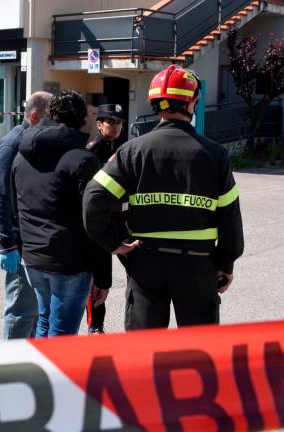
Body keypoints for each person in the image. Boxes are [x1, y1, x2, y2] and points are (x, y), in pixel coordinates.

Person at [83, 65, 244, 330]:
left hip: (146, 263)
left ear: (155, 103)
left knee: (144, 353)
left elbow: (93, 200)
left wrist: (114, 244)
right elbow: (229, 215)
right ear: (191, 103)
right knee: (199, 351)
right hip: (197, 265)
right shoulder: (214, 155)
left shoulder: (132, 151)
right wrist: (226, 264)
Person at [11, 90, 111, 337]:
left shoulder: (21, 153)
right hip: (69, 262)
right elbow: (95, 219)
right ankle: (54, 376)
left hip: (33, 257)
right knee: (62, 335)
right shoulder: (83, 160)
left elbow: (15, 206)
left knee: (44, 323)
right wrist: (103, 277)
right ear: (81, 120)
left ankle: (41, 375)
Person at [0, 91, 52, 339]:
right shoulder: (12, 145)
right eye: (50, 117)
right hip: (18, 245)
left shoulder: (33, 141)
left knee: (34, 310)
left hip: (34, 243)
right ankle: (12, 364)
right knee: (21, 310)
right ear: (35, 116)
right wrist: (5, 244)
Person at [84, 103, 126, 334]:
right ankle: (95, 326)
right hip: (98, 224)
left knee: (105, 276)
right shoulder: (93, 150)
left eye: (119, 122)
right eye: (111, 122)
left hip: (116, 220)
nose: (116, 126)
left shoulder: (115, 146)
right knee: (97, 278)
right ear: (99, 124)